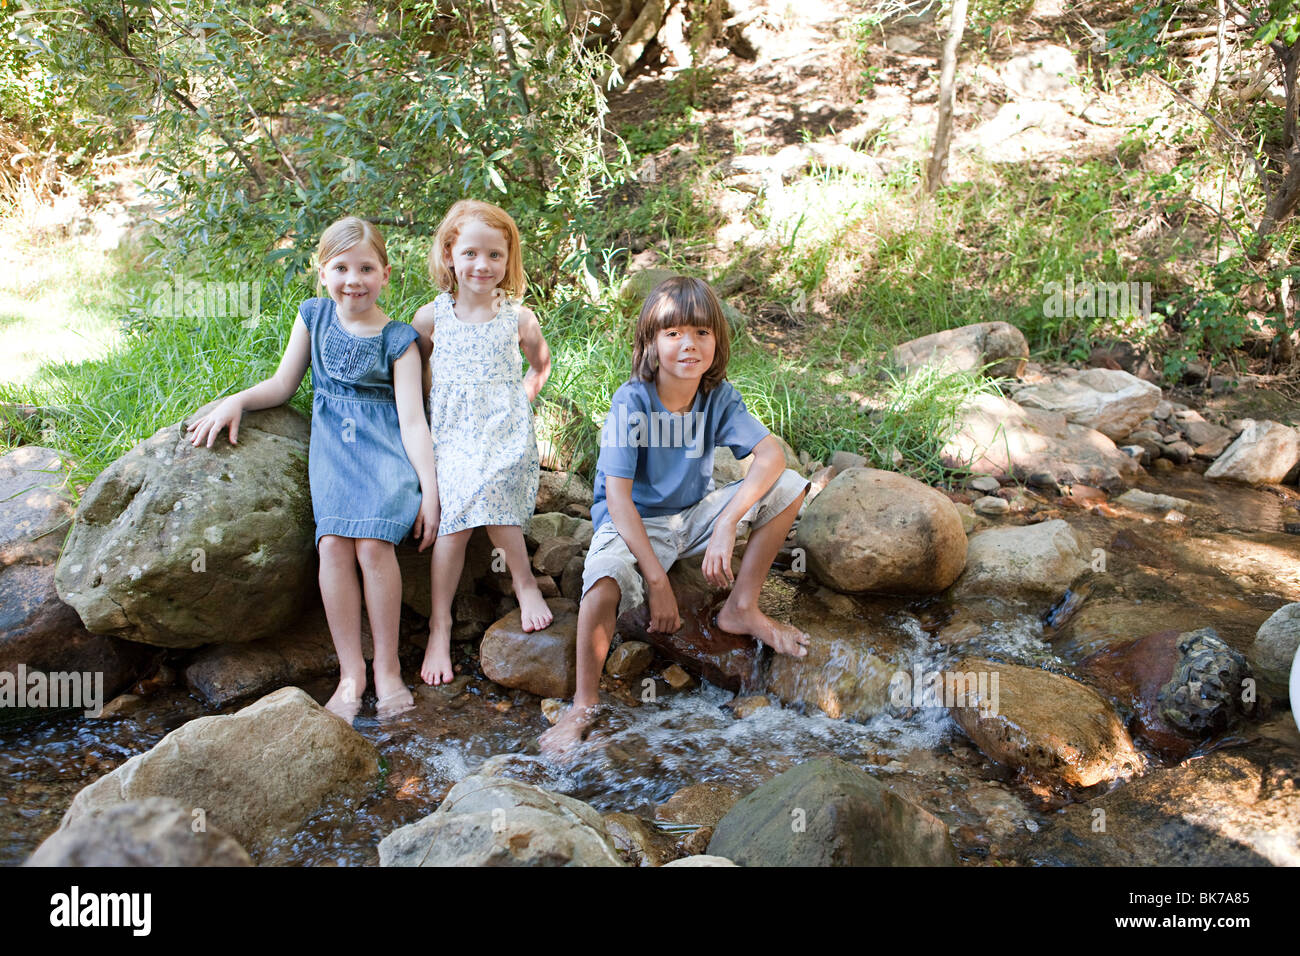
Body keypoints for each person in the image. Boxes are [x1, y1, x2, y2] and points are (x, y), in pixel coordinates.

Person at [540, 276, 811, 756]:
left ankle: (741, 608)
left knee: (789, 486)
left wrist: (728, 522)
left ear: (717, 342)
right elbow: (618, 501)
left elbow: (771, 457)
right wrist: (658, 582)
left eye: (702, 333)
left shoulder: (717, 396)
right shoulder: (632, 403)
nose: (689, 344)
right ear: (650, 343)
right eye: (673, 334)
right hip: (634, 524)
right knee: (603, 579)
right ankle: (583, 704)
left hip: (692, 516)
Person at [187, 216, 438, 723]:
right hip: (335, 460)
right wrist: (236, 401)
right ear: (322, 273)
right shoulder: (313, 317)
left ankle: (387, 668)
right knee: (332, 547)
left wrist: (430, 494)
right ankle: (351, 675)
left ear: (385, 274)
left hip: (385, 458)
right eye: (341, 267)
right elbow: (283, 384)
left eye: (366, 268)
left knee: (371, 545)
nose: (354, 280)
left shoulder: (400, 339)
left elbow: (413, 421)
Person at [412, 199, 552, 686]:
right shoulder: (430, 319)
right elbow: (418, 379)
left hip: (504, 434)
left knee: (492, 485)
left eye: (495, 255)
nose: (482, 265)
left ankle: (524, 583)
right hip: (451, 436)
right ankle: (440, 624)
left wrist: (523, 400)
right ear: (450, 253)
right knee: (451, 524)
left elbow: (540, 365)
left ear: (507, 259)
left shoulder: (518, 318)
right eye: (471, 253)